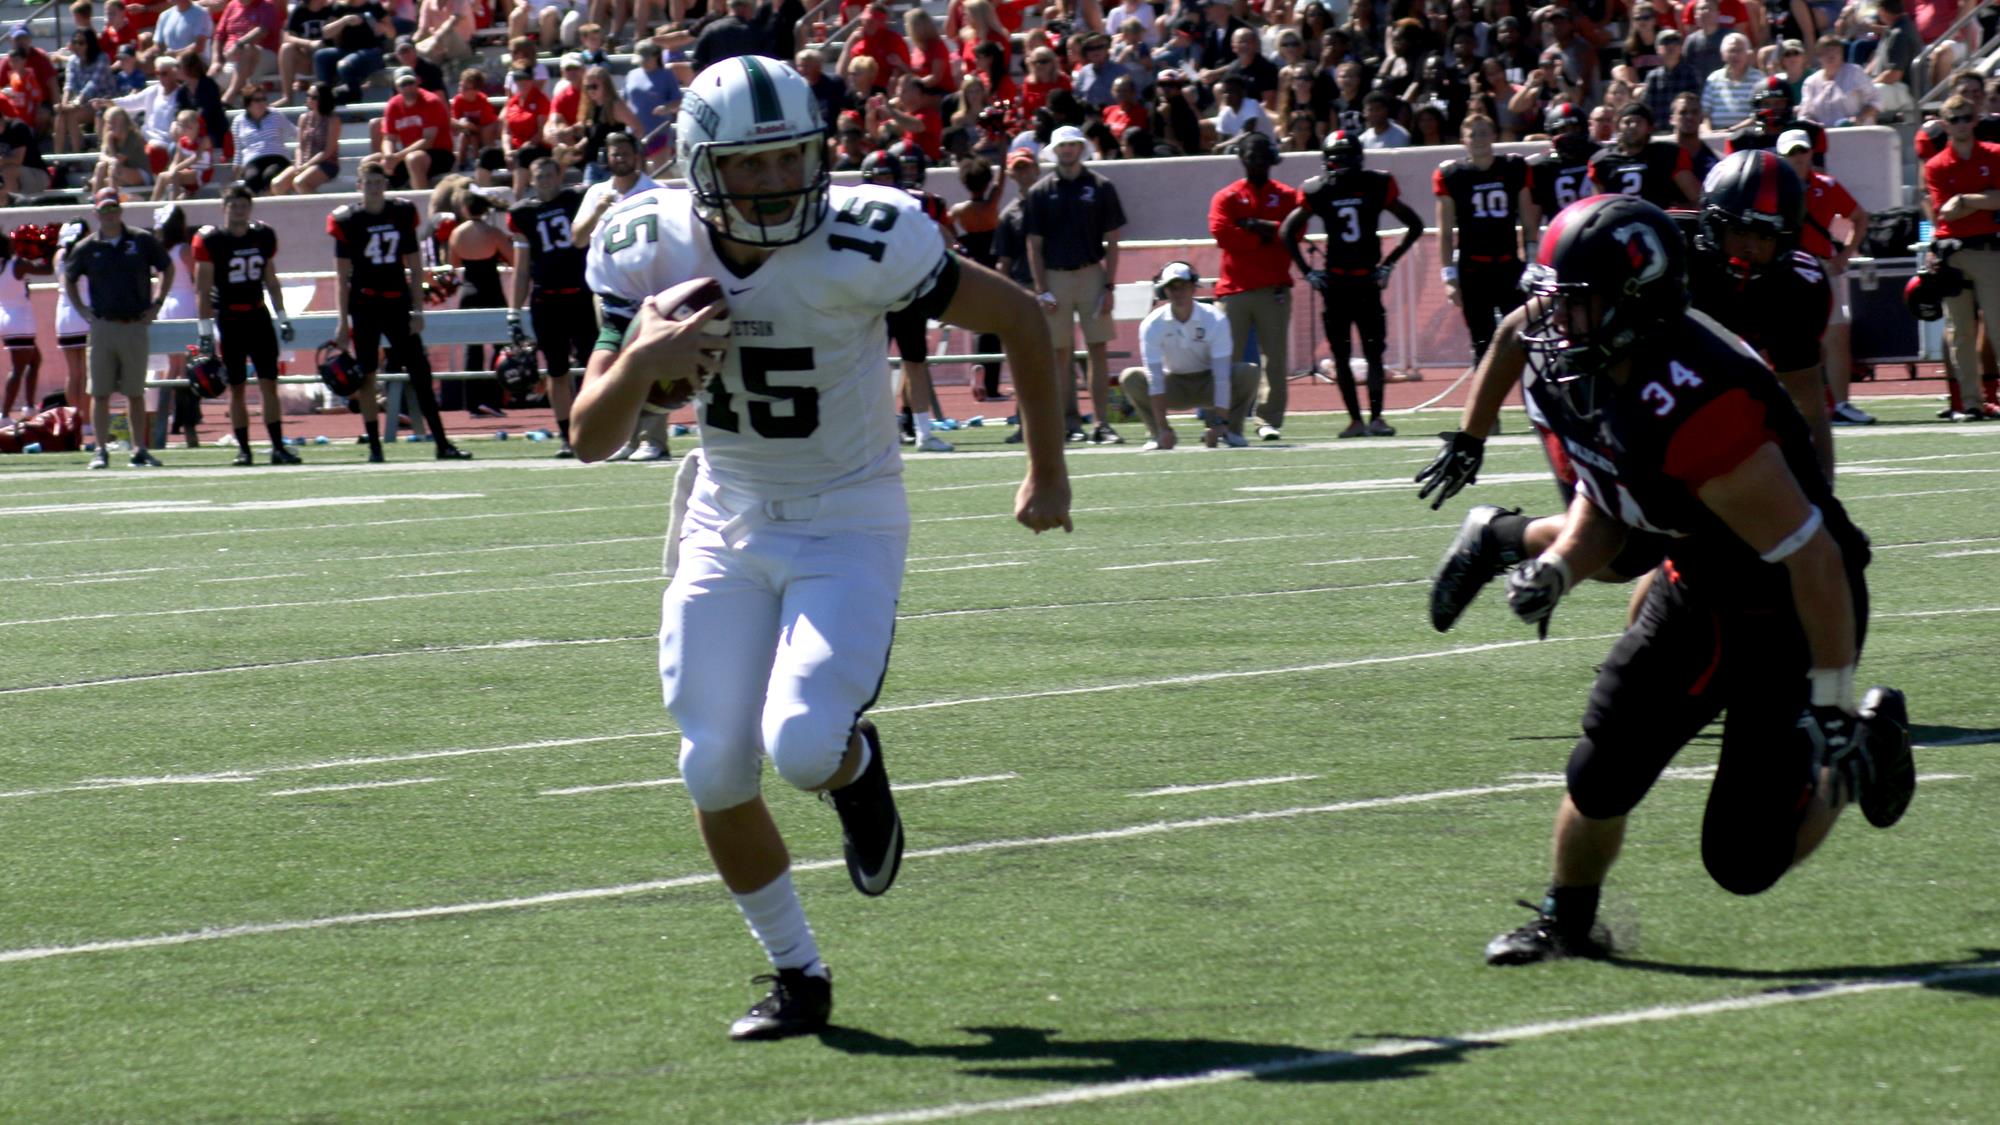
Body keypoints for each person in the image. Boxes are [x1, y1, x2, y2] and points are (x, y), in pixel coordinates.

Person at [572, 56, 1072, 1042]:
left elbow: (1018, 316)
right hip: (726, 515)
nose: (772, 184)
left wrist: (1045, 471)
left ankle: (853, 767)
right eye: (747, 168)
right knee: (712, 767)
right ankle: (796, 973)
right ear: (697, 166)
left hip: (846, 515)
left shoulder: (867, 236)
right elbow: (587, 435)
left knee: (801, 742)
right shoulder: (646, 243)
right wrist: (640, 361)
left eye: (789, 161)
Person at [1440, 194, 1914, 966]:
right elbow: (1613, 501)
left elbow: (1815, 559)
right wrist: (1558, 568)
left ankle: (1859, 745)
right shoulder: (1595, 361)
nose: (1553, 321)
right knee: (1601, 768)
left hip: (1786, 612)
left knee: (1744, 860)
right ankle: (1568, 919)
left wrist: (1829, 698)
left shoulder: (1699, 405)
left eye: (1574, 303)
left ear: (1633, 302)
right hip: (1696, 585)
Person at [1282, 130, 1424, 438]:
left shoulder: (1359, 185)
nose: (1341, 164)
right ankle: (1362, 420)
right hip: (1347, 282)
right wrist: (1309, 271)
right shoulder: (1341, 187)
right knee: (1349, 354)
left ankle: (1369, 419)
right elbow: (1286, 232)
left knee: (1369, 354)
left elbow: (1415, 225)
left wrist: (1387, 264)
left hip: (1353, 282)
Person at [330, 157, 472, 462]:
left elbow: (414, 263)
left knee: (420, 371)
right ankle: (374, 446)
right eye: (368, 183)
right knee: (367, 375)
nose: (373, 188)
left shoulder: (401, 213)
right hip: (364, 303)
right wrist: (342, 321)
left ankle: (442, 443)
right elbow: (342, 276)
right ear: (359, 186)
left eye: (379, 183)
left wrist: (418, 310)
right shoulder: (347, 220)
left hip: (396, 301)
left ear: (386, 185)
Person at [1024, 123, 1126, 443]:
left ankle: (1101, 423)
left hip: (1091, 273)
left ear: (1081, 148)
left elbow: (1112, 240)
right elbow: (1034, 246)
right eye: (1062, 146)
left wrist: (1109, 286)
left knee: (1098, 349)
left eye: (1072, 145)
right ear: (1054, 151)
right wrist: (1042, 289)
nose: (1067, 151)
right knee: (1060, 353)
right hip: (1055, 276)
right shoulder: (1040, 192)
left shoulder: (1101, 186)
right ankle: (1066, 423)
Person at [65, 188, 173, 470]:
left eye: (113, 208)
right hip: (103, 326)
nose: (110, 214)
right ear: (96, 212)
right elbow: (69, 279)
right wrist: (84, 312)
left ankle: (140, 449)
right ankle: (100, 449)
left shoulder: (140, 240)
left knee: (135, 392)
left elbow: (167, 267)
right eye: (104, 209)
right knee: (99, 392)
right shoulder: (87, 247)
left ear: (120, 210)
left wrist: (157, 303)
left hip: (134, 323)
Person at [193, 184, 300, 465]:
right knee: (237, 387)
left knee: (269, 384)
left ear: (249, 208)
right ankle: (244, 449)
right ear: (224, 207)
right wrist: (205, 331)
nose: (239, 210)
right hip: (229, 319)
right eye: (233, 205)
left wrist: (283, 316)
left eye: (243, 205)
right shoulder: (212, 240)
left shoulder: (262, 236)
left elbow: (271, 281)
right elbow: (203, 291)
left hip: (258, 316)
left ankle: (278, 447)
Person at [1207, 130, 1299, 440]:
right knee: (1226, 359)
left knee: (1274, 359)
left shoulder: (1287, 195)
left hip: (1274, 288)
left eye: (1262, 156)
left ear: (1271, 160)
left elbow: (1294, 232)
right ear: (1242, 160)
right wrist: (1266, 236)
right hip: (1234, 290)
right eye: (1251, 157)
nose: (1256, 162)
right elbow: (1222, 233)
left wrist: (1257, 227)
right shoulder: (1227, 196)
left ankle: (1267, 419)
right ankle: (1227, 421)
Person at [509, 156, 598, 458]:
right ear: (531, 180)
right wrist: (513, 311)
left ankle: (598, 428)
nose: (545, 179)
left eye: (550, 174)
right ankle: (566, 435)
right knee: (557, 371)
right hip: (546, 300)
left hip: (581, 296)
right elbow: (521, 270)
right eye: (539, 175)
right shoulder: (524, 213)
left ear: (559, 176)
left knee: (594, 366)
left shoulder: (577, 199)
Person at [1783, 129, 1871, 426]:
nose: (1797, 158)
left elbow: (1859, 217)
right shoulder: (1772, 186)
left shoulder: (1826, 185)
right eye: (1791, 153)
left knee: (1836, 335)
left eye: (1801, 151)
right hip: (1784, 268)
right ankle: (1789, 405)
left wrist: (1845, 255)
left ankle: (1841, 403)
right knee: (1786, 338)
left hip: (1820, 266)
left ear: (1810, 153)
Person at [1120, 260, 1258, 450]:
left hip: (1208, 382)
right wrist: (1163, 427)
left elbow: (1221, 377)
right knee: (1131, 377)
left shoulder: (1215, 319)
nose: (1178, 293)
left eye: (1183, 286)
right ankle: (1157, 434)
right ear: (1165, 291)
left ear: (1193, 288)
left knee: (1248, 372)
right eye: (1172, 288)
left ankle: (1231, 431)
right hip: (1173, 384)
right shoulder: (1152, 323)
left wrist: (1220, 423)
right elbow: (1155, 378)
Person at [1923, 93, 2000, 422]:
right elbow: (1945, 213)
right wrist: (1981, 200)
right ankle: (1971, 402)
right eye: (1954, 120)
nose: (1961, 125)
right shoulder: (1936, 165)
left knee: (1998, 327)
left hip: (1987, 250)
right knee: (1961, 332)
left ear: (1976, 119)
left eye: (1966, 117)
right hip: (1953, 250)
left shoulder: (1995, 154)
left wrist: (1966, 199)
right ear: (1944, 124)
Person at [1434, 112, 1531, 367]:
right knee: (1482, 342)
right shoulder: (1453, 175)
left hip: (1509, 265)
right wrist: (1449, 278)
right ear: (1463, 140)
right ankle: (1485, 406)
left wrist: (1531, 262)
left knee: (1524, 337)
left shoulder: (1513, 168)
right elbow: (1444, 233)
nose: (1479, 138)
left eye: (1484, 132)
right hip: (1473, 268)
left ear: (1494, 136)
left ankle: (1533, 401)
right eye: (1472, 134)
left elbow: (1529, 223)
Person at [445, 188, 512, 420]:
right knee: (500, 347)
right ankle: (493, 400)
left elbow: (453, 265)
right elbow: (513, 258)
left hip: (469, 292)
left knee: (472, 349)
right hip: (492, 292)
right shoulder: (493, 233)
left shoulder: (456, 234)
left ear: (465, 209)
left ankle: (472, 403)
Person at [1588, 102, 1700, 209]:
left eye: (1638, 122)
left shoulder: (1667, 155)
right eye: (1627, 122)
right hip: (1619, 224)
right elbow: (1598, 208)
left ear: (1649, 128)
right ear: (1617, 128)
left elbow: (1698, 199)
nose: (1632, 126)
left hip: (1657, 224)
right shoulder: (1602, 161)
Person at [1527, 102, 1598, 233]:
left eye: (1574, 128)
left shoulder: (1600, 158)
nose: (1569, 135)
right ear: (1552, 134)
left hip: (1598, 232)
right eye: (1563, 130)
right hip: (1562, 235)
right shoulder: (1543, 167)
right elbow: (1533, 218)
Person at [1726, 74, 1825, 167]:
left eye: (1778, 103)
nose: (1772, 109)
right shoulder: (1741, 140)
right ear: (1757, 106)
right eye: (1766, 104)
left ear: (1788, 105)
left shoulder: (1809, 133)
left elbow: (1818, 175)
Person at [381, 67, 453, 190]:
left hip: (440, 154)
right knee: (370, 163)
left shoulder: (431, 101)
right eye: (403, 84)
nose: (408, 87)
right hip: (408, 153)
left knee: (413, 159)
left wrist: (397, 157)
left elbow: (428, 141)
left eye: (410, 83)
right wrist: (389, 156)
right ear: (396, 87)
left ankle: (422, 204)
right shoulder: (393, 105)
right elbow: (389, 138)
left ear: (417, 82)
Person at [272, 80, 338, 193]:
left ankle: (318, 209)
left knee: (300, 182)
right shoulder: (303, 118)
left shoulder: (332, 120)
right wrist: (299, 164)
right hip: (303, 162)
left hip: (326, 164)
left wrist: (307, 165)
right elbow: (300, 146)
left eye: (313, 97)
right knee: (277, 184)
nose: (309, 99)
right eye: (308, 95)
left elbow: (328, 151)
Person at [1799, 36, 1878, 125]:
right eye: (1826, 51)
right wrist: (1815, 125)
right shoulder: (1810, 82)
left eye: (1836, 51)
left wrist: (1859, 118)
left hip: (1858, 133)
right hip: (1825, 136)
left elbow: (1875, 100)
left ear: (1842, 54)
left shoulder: (1854, 72)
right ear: (1819, 56)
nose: (1831, 55)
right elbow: (1804, 115)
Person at [230, 88, 295, 191]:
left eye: (264, 99)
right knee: (252, 178)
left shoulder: (276, 115)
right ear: (248, 102)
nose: (262, 103)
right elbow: (238, 150)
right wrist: (234, 174)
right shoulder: (238, 121)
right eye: (257, 100)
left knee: (269, 175)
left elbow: (294, 132)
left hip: (277, 157)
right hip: (253, 160)